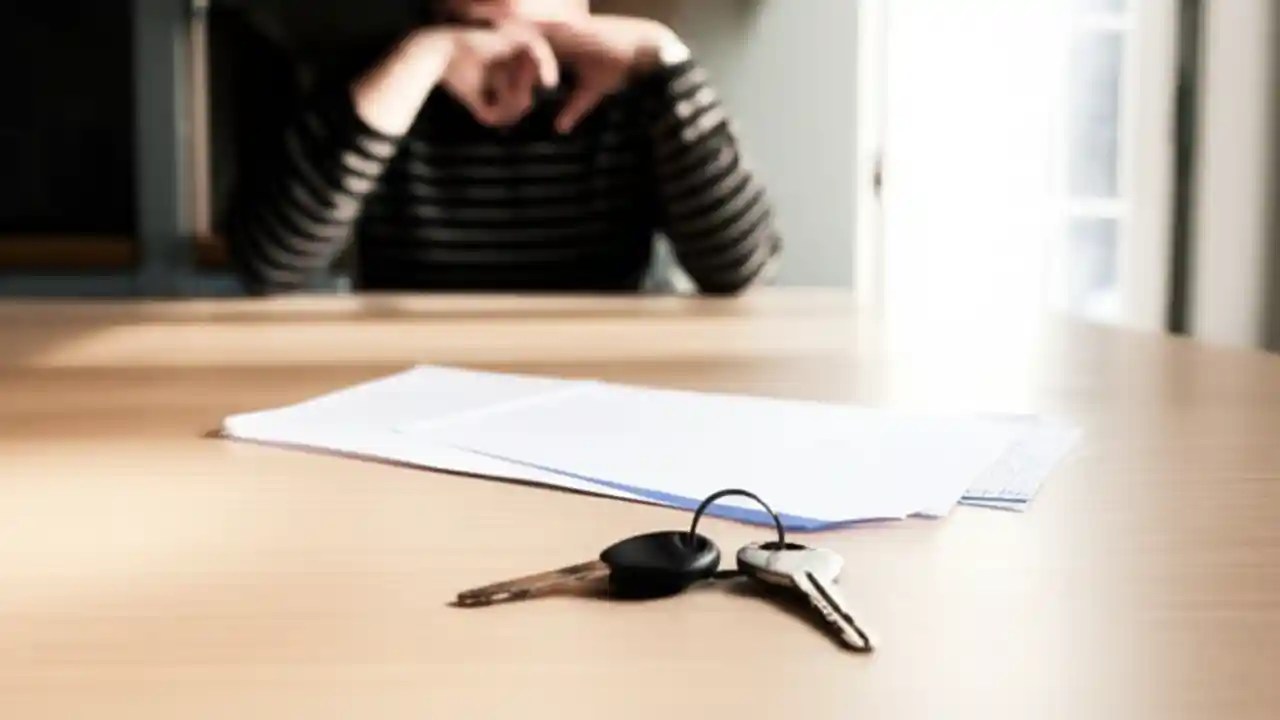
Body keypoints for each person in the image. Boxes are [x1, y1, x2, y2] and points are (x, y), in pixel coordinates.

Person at [224, 0, 781, 295]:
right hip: (407, 388)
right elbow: (271, 266)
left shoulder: (638, 87)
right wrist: (423, 59)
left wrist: (663, 55)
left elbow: (741, 269)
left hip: (604, 387)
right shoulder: (380, 79)